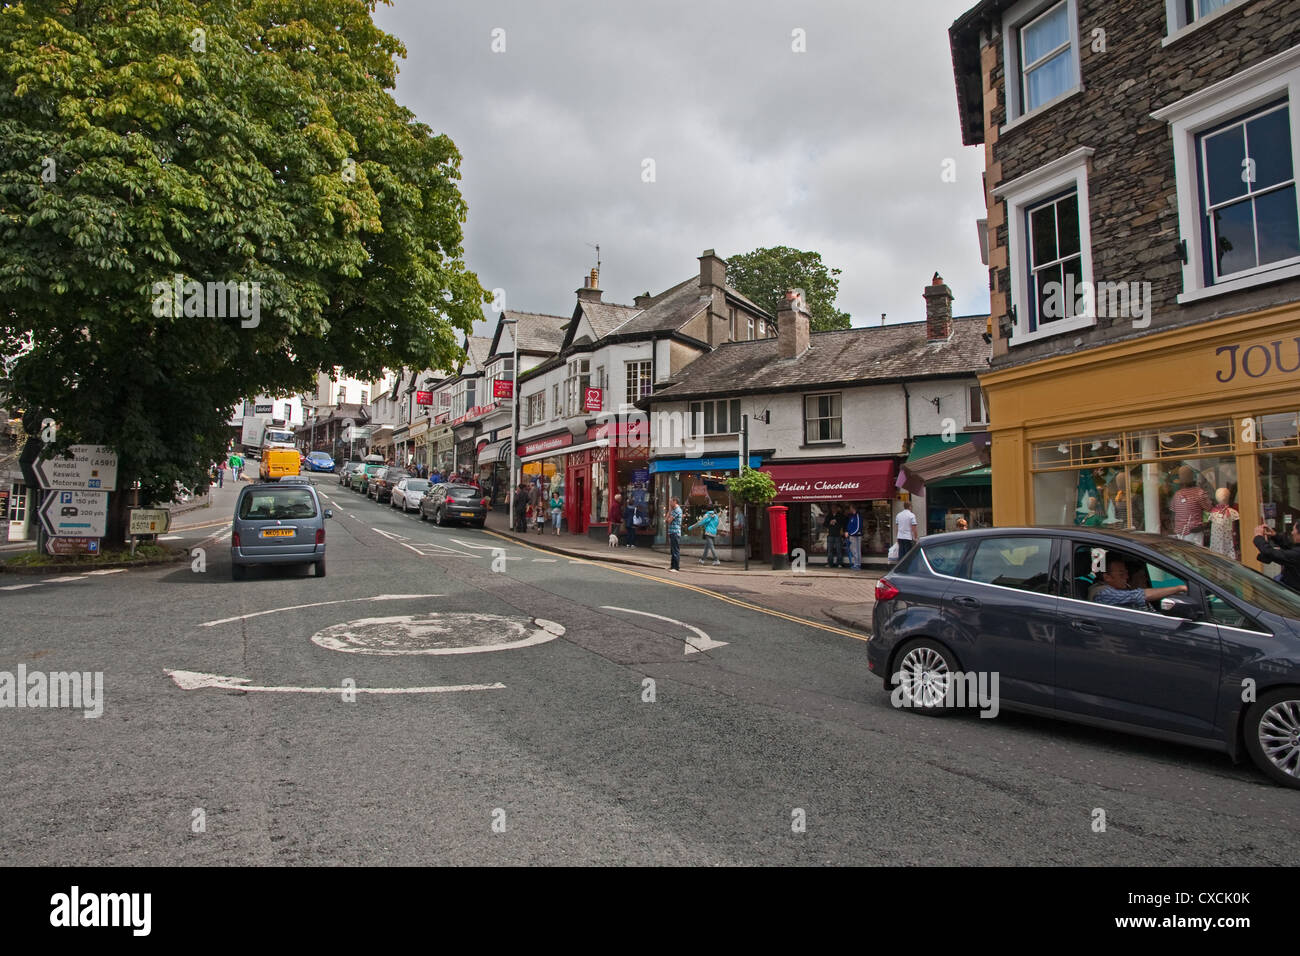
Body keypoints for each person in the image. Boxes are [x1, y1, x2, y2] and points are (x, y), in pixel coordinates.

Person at [1091, 556, 1188, 609]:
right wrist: (1179, 588)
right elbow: (1139, 595)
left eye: (1126, 573)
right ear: (1107, 577)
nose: (1127, 577)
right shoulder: (1103, 593)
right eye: (1121, 574)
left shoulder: (1123, 587)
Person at [1171, 465, 1212, 544]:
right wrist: (1205, 522)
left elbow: (1174, 512)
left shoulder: (1177, 494)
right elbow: (1209, 508)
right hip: (1194, 532)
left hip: (1179, 532)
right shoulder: (1199, 493)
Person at [1254, 522, 1300, 591]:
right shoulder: (1297, 551)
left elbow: (1269, 552)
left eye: (1294, 530)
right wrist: (1275, 535)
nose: (1292, 533)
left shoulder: (1296, 554)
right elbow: (1290, 547)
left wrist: (1258, 537)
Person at [1208, 489, 1239, 560]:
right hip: (1228, 540)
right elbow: (1235, 528)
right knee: (1228, 559)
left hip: (1216, 542)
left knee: (1218, 559)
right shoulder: (1232, 512)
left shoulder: (1213, 513)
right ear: (1228, 498)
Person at [666, 496, 683, 571]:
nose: (669, 503)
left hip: (675, 532)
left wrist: (669, 512)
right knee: (673, 550)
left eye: (671, 501)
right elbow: (666, 520)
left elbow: (668, 521)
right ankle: (672, 566)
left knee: (675, 550)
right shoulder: (673, 510)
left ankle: (676, 567)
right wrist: (669, 511)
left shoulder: (677, 510)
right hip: (672, 532)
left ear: (675, 501)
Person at [846, 503, 862, 570]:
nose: (849, 509)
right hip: (851, 535)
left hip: (856, 536)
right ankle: (855, 563)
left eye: (850, 508)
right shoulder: (852, 516)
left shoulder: (857, 516)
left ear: (853, 508)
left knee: (857, 550)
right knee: (853, 550)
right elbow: (850, 525)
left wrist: (851, 533)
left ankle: (857, 564)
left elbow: (858, 527)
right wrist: (847, 532)